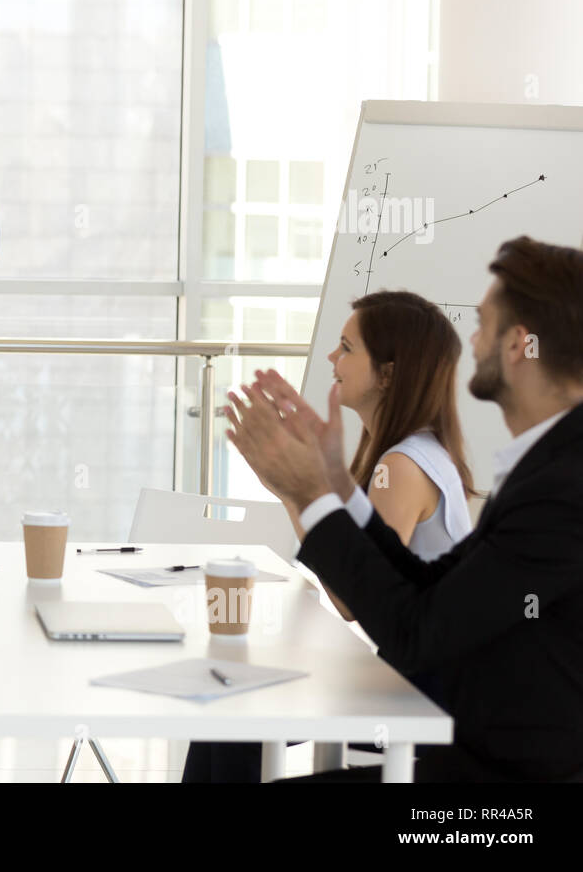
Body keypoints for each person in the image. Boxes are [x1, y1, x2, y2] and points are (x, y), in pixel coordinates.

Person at [227, 236, 583, 781]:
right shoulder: (546, 466)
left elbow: (412, 631)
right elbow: (430, 589)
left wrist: (310, 496)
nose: (473, 338)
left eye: (483, 323)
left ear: (517, 345)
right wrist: (334, 487)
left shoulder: (561, 486)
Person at [183, 291, 477, 781]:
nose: (331, 358)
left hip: (423, 688)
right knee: (228, 716)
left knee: (233, 716)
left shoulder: (401, 466)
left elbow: (349, 600)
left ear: (388, 374)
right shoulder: (401, 452)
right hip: (410, 669)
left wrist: (293, 490)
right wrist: (291, 490)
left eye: (346, 347)